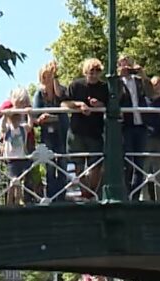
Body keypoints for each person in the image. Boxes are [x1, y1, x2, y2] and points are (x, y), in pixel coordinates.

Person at [62, 58, 108, 199]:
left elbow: (110, 106)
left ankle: (90, 193)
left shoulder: (104, 87)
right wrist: (79, 105)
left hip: (95, 132)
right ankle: (84, 193)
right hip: (77, 131)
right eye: (91, 71)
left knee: (97, 164)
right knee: (78, 164)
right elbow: (64, 104)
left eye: (97, 71)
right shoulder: (76, 85)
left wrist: (99, 105)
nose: (93, 74)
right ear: (85, 72)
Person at [32, 62, 68, 202]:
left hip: (62, 131)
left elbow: (62, 99)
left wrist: (55, 82)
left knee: (63, 163)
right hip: (48, 132)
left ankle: (62, 197)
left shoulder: (61, 89)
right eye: (44, 77)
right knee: (50, 165)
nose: (46, 80)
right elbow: (35, 115)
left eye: (49, 77)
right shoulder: (39, 94)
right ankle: (52, 196)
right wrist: (42, 118)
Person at [117, 55, 149, 198]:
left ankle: (135, 196)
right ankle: (127, 194)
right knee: (128, 163)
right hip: (127, 126)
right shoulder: (117, 82)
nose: (127, 67)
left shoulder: (139, 81)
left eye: (129, 64)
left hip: (141, 125)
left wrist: (143, 74)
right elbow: (115, 98)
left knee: (140, 164)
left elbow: (151, 94)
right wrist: (119, 78)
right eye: (123, 64)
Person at [0, 87, 34, 205]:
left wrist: (28, 114)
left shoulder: (22, 128)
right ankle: (9, 201)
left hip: (21, 156)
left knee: (19, 181)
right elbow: (2, 128)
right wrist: (5, 116)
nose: (16, 120)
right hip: (11, 158)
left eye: (17, 118)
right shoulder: (9, 129)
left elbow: (30, 125)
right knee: (13, 181)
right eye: (13, 118)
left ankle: (19, 200)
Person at [142, 76, 160, 202]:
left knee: (159, 169)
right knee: (144, 167)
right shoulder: (144, 100)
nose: (158, 86)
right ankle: (144, 197)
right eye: (155, 84)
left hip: (159, 137)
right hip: (146, 136)